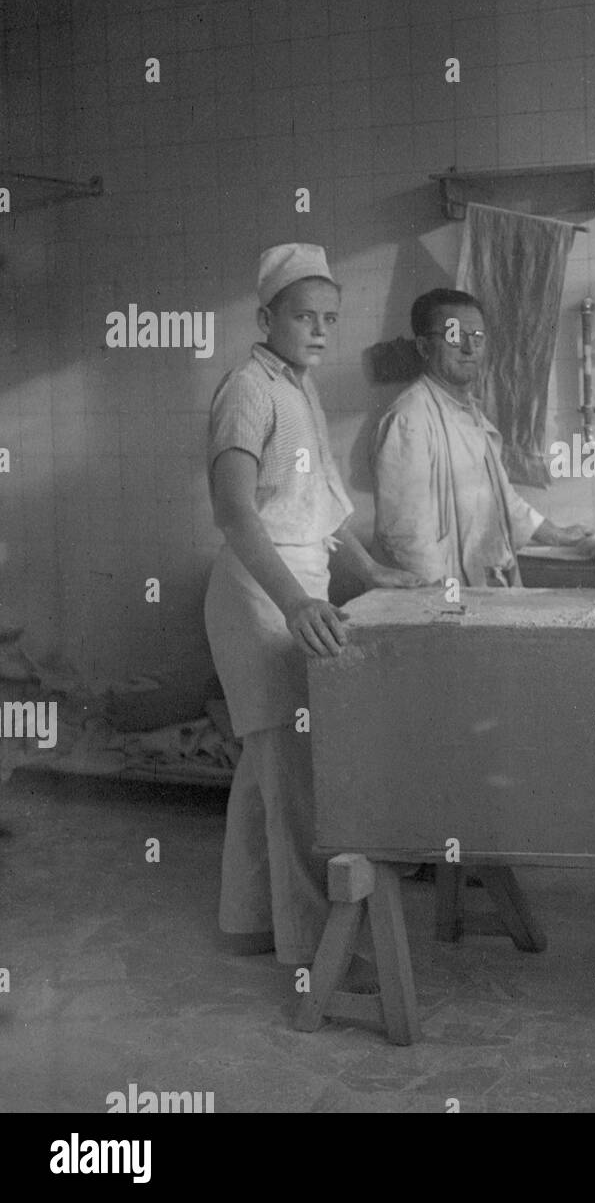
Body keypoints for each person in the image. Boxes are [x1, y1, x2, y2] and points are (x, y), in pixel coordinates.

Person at [205, 243, 419, 974]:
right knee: (294, 779)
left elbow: (322, 512)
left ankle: (246, 922)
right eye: (304, 316)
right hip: (260, 596)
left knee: (263, 775)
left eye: (330, 317)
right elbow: (235, 514)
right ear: (266, 317)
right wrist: (296, 603)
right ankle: (311, 955)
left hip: (298, 587)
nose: (320, 329)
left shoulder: (300, 387)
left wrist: (374, 574)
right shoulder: (248, 389)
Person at [373, 288, 591, 584]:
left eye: (477, 336)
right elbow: (405, 531)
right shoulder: (409, 417)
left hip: (478, 585)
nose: (469, 347)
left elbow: (501, 501)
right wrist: (445, 599)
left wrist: (560, 535)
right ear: (424, 347)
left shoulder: (470, 412)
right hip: (438, 596)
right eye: (454, 335)